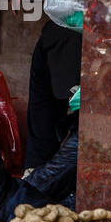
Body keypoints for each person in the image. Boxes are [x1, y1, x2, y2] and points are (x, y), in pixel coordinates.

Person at [23, 20, 82, 206]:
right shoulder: (64, 39)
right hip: (45, 150)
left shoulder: (65, 36)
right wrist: (33, 181)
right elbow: (42, 119)